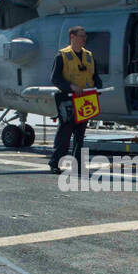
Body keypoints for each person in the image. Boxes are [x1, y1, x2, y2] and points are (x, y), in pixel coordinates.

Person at [49, 25, 102, 173]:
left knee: (80, 134)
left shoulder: (89, 56)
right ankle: (55, 163)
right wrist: (71, 87)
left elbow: (95, 76)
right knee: (65, 133)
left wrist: (98, 87)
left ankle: (78, 164)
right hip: (68, 99)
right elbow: (55, 79)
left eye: (85, 36)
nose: (84, 39)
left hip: (85, 99)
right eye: (81, 36)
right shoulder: (62, 56)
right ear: (72, 37)